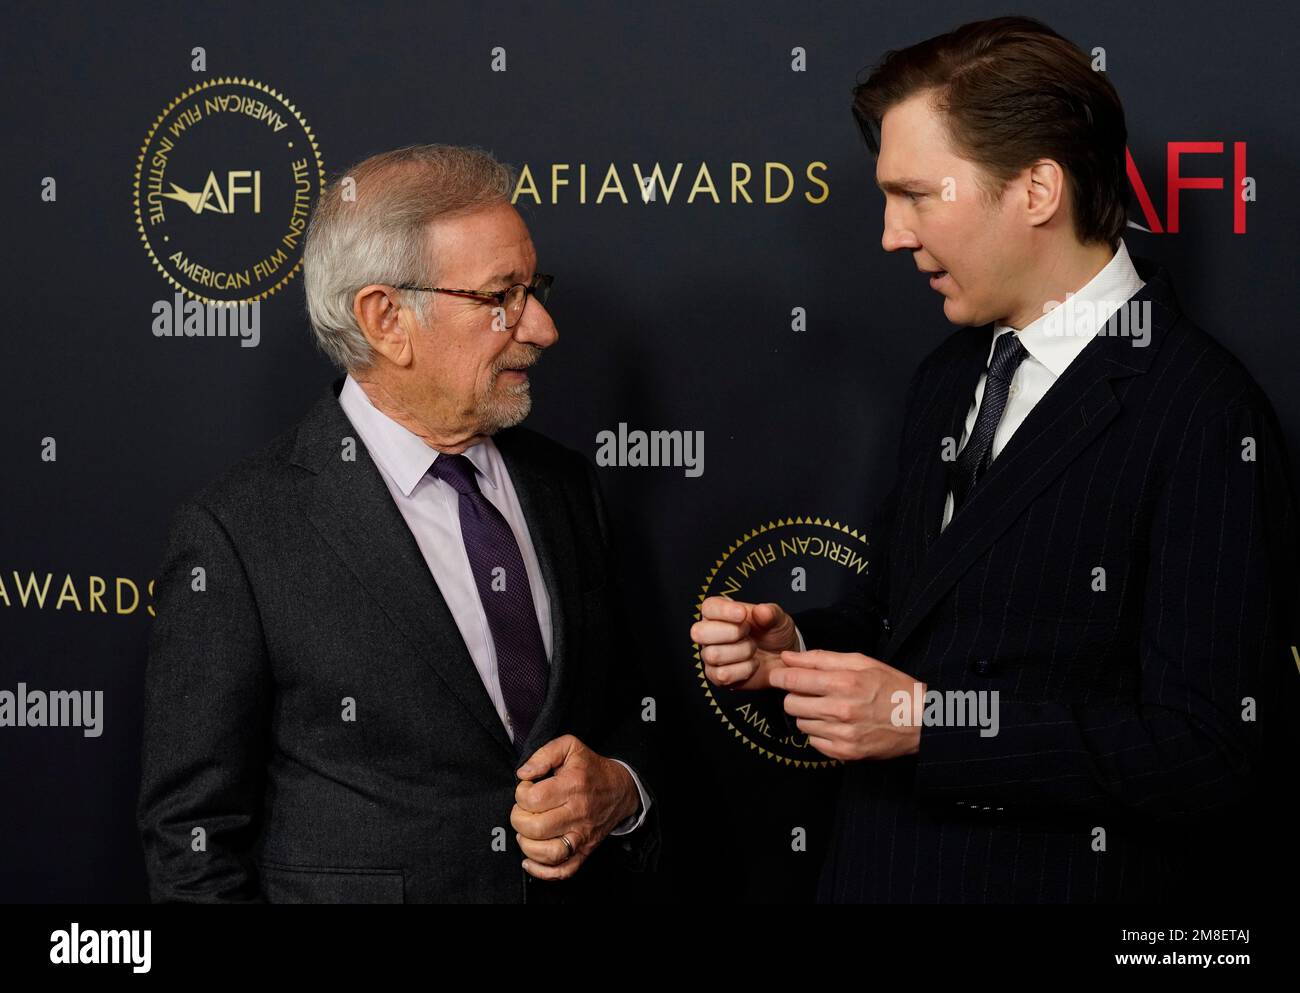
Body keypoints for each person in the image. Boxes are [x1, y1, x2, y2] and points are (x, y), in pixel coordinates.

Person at [693, 16, 1296, 902]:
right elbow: (919, 622)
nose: (892, 235)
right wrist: (801, 646)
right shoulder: (948, 375)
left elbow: (1209, 749)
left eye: (917, 195)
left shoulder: (1202, 412)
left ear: (1038, 188)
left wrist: (933, 728)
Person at [138, 144, 658, 903]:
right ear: (386, 319)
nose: (541, 327)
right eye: (500, 297)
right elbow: (193, 842)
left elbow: (630, 714)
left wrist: (620, 787)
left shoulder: (565, 487)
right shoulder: (241, 532)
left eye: (534, 287)